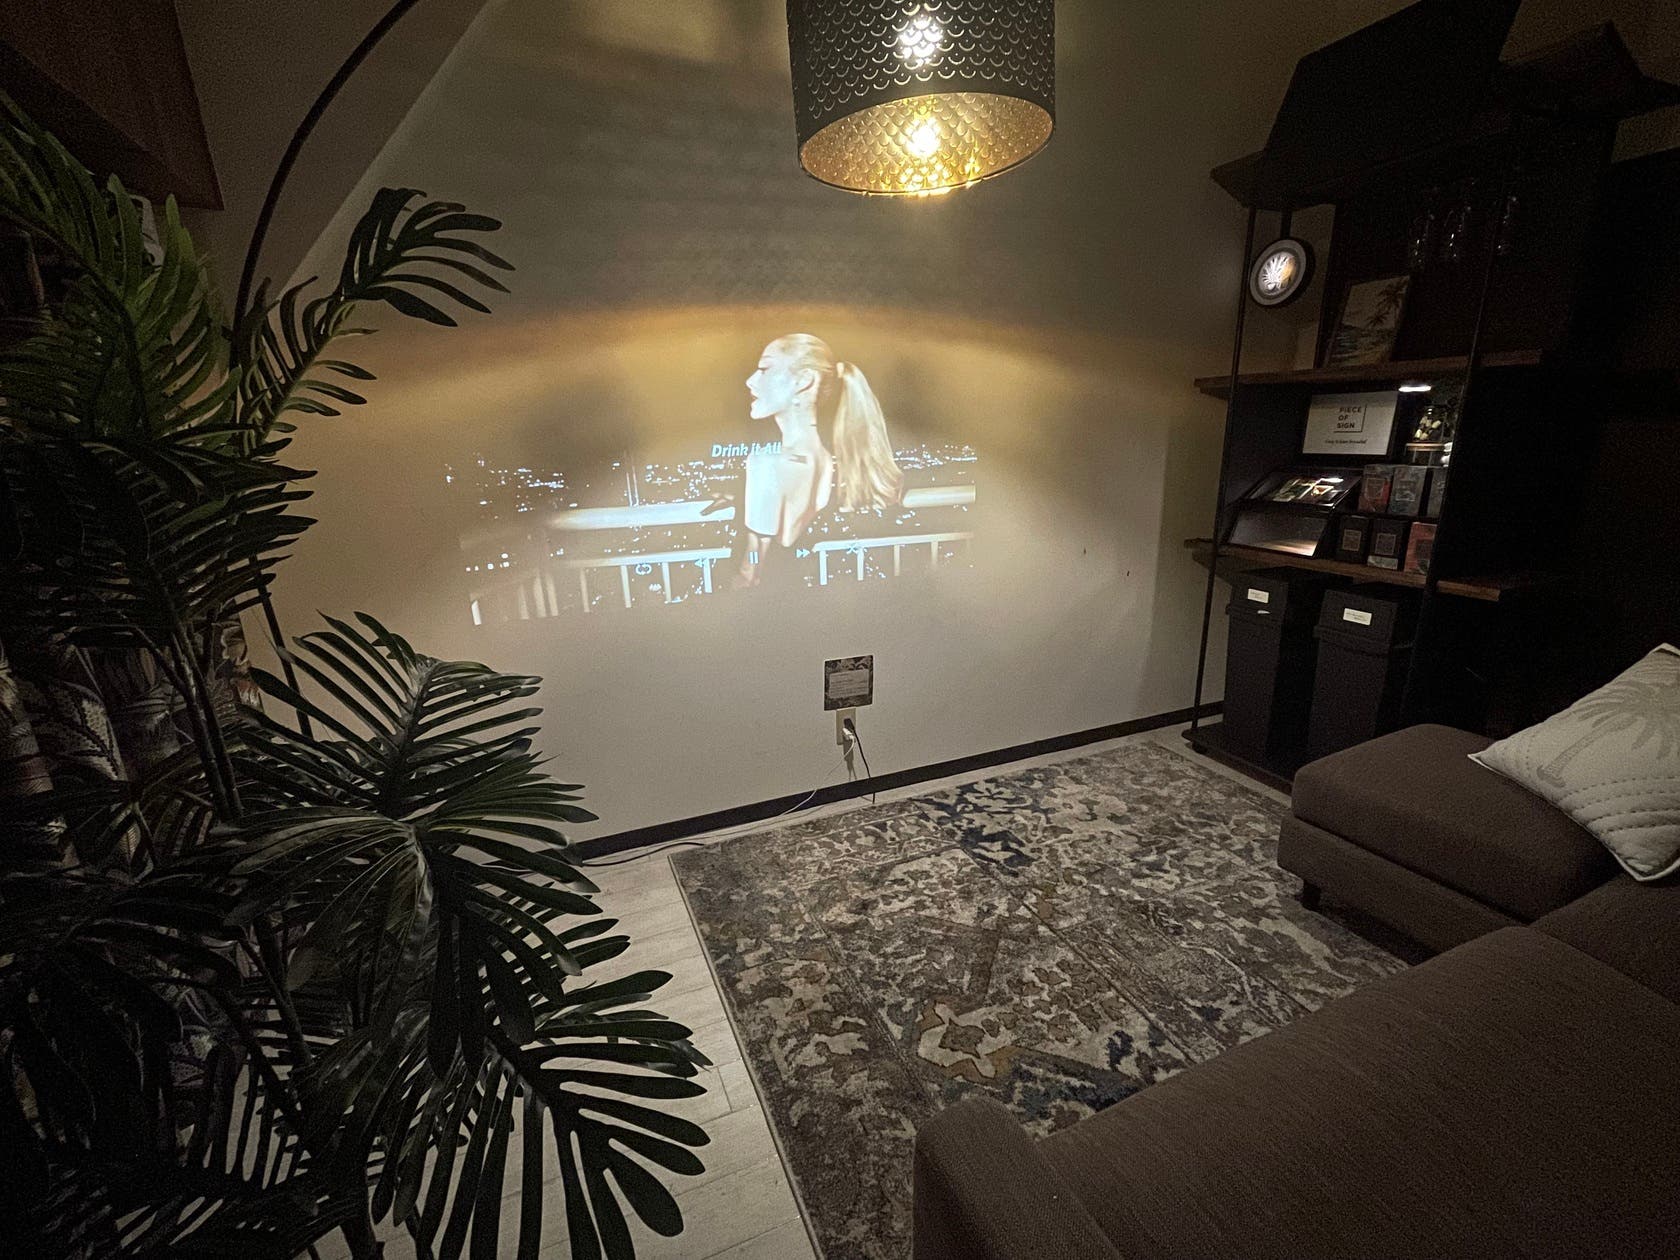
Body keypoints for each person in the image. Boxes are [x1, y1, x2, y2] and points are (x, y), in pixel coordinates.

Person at [724, 334, 904, 588]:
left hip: (779, 606)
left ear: (804, 380)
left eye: (764, 369)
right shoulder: (830, 460)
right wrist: (740, 499)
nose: (750, 380)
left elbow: (750, 573)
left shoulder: (766, 463)